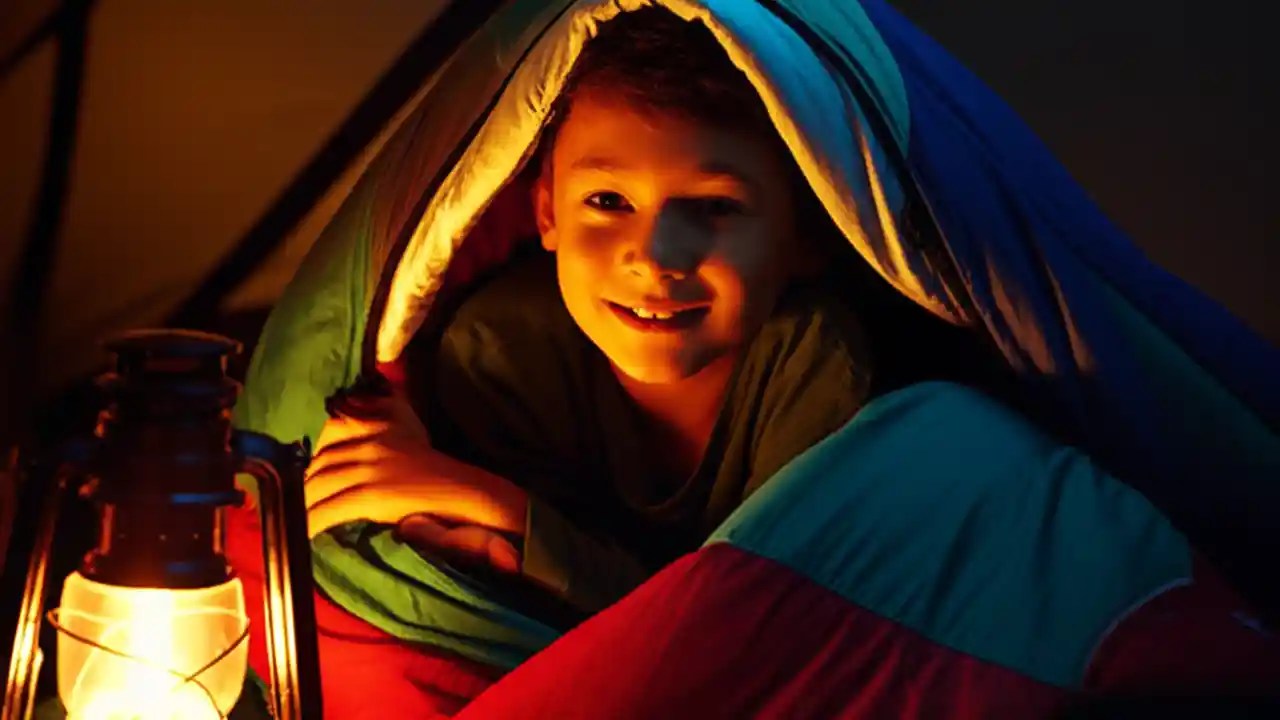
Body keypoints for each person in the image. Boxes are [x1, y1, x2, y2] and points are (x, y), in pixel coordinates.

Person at [300, 7, 956, 615]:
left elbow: (754, 625)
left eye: (715, 207)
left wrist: (499, 509)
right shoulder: (499, 351)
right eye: (609, 201)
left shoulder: (816, 361)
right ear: (547, 212)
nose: (654, 258)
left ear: (806, 239)